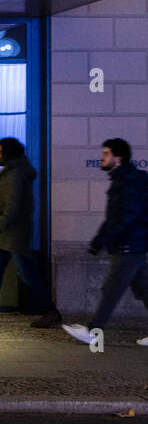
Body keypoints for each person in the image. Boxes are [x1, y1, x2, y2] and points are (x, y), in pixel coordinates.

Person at [0, 138, 61, 327]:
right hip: (9, 236)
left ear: (7, 153)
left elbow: (13, 207)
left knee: (27, 274)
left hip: (13, 235)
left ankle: (50, 311)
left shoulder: (14, 175)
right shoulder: (13, 172)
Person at [63, 139, 148, 346]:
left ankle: (93, 331)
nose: (103, 157)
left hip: (128, 246)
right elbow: (114, 218)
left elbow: (126, 217)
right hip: (132, 245)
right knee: (145, 290)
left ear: (118, 158)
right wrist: (99, 241)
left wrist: (104, 240)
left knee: (111, 291)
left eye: (107, 153)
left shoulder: (128, 181)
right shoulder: (124, 180)